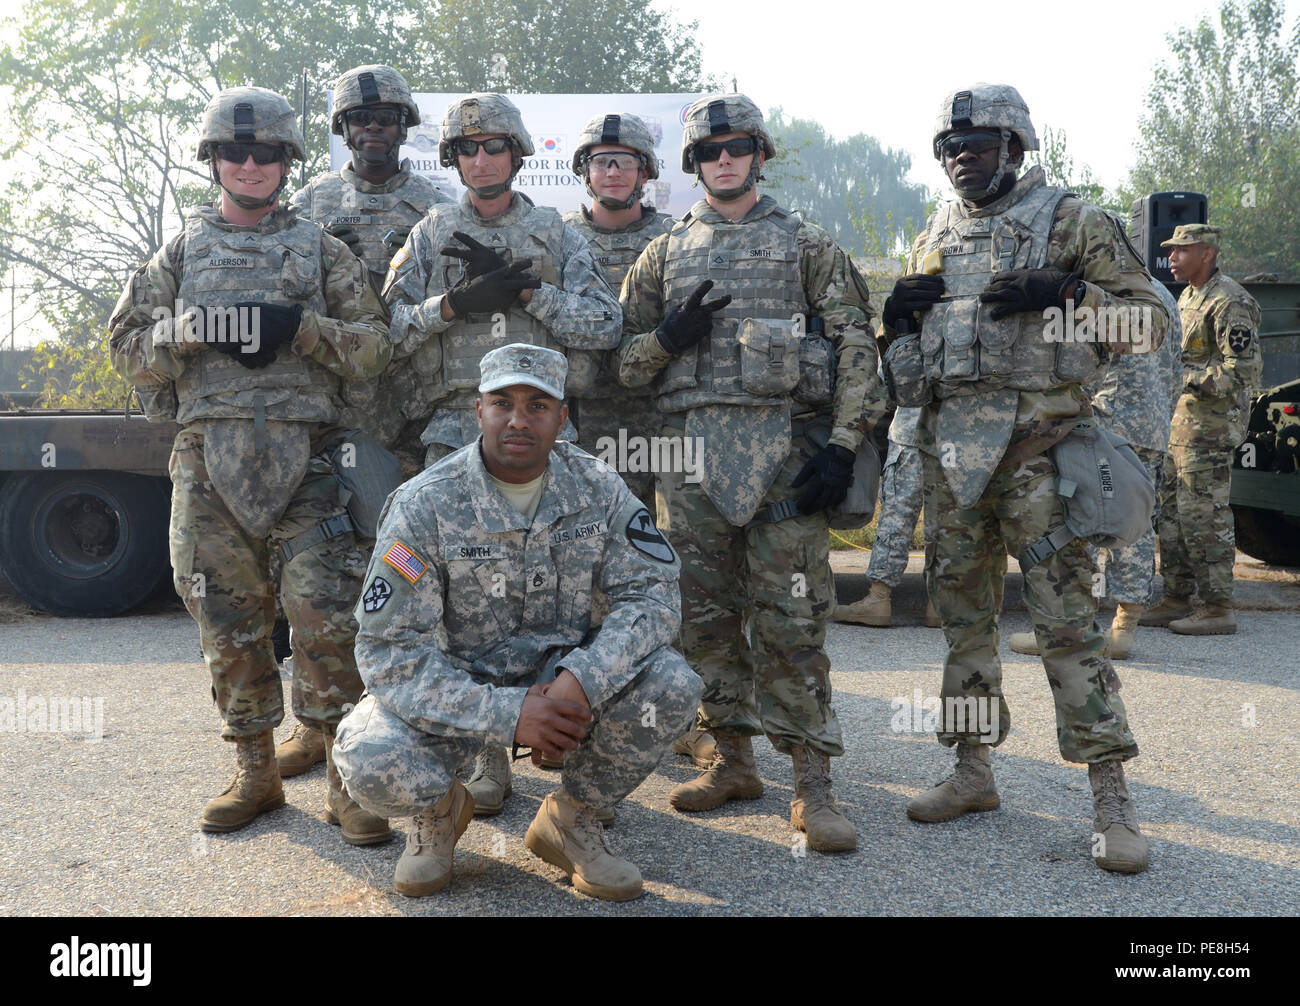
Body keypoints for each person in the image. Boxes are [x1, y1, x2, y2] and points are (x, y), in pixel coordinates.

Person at [883, 84, 1168, 873]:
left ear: (1016, 147)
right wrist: (898, 324)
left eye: (976, 145)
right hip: (952, 464)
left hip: (1040, 457)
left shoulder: (1074, 221)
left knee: (1068, 628)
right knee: (963, 627)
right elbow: (913, 372)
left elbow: (1148, 325)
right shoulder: (936, 230)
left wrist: (1070, 293)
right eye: (948, 148)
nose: (960, 159)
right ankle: (973, 771)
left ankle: (1112, 801)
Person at [106, 87, 392, 844]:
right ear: (214, 160)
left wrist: (300, 329)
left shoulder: (322, 251)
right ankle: (257, 775)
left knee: (327, 624)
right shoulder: (179, 252)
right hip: (208, 459)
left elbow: (374, 349)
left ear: (286, 161)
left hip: (311, 461)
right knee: (228, 624)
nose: (251, 165)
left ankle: (345, 781)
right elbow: (128, 353)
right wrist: (192, 331)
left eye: (266, 153)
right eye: (235, 152)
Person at [332, 344, 701, 901]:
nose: (518, 419)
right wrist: (508, 714)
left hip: (566, 682)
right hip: (460, 687)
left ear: (562, 418)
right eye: (502, 402)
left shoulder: (599, 487)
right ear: (477, 411)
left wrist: (583, 678)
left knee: (673, 684)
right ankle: (439, 811)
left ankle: (573, 818)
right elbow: (389, 652)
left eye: (538, 405)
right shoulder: (424, 504)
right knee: (369, 757)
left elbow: (653, 596)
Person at [619, 94, 886, 853]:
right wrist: (668, 339)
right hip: (692, 464)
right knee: (703, 624)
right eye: (709, 151)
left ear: (760, 155)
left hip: (786, 464)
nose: (724, 160)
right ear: (693, 164)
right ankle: (732, 759)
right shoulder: (663, 255)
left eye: (736, 147)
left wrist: (841, 445)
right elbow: (623, 365)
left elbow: (856, 351)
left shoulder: (807, 246)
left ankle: (814, 785)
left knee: (793, 626)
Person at [382, 93, 622, 814]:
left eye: (493, 147)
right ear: (452, 160)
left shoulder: (553, 231)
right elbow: (388, 328)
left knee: (563, 590)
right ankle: (483, 749)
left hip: (544, 435)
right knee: (458, 602)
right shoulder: (429, 233)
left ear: (518, 155)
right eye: (465, 149)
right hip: (456, 437)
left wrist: (529, 291)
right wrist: (453, 306)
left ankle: (565, 737)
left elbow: (603, 325)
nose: (480, 160)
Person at [273, 65, 450, 779]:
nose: (374, 129)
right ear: (344, 130)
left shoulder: (436, 205)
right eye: (360, 119)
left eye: (386, 119)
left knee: (418, 571)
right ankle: (316, 723)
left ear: (404, 128)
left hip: (412, 414)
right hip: (335, 414)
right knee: (319, 573)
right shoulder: (311, 203)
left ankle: (414, 717)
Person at [563, 111, 713, 770]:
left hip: (665, 421)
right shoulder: (560, 241)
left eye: (625, 160)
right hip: (590, 422)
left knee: (678, 564)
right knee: (597, 571)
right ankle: (603, 704)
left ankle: (688, 712)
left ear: (647, 173)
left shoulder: (676, 241)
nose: (613, 170)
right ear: (585, 172)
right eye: (600, 160)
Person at [1010, 264, 1183, 658]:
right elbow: (1176, 367)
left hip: (1104, 424)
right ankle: (1124, 627)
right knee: (1136, 522)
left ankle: (1071, 628)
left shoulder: (1097, 292)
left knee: (1080, 519)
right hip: (1151, 426)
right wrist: (1160, 416)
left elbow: (1079, 363)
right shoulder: (1162, 294)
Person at [1141, 223, 1262, 635]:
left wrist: (1184, 377)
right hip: (1179, 429)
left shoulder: (1230, 302)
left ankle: (1218, 607)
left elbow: (1242, 372)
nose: (1172, 257)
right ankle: (1177, 597)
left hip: (1209, 432)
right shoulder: (1189, 296)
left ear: (1207, 253)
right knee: (1173, 516)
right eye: (1171, 250)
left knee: (1204, 518)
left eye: (1181, 250)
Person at [832, 404, 941, 628]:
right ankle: (941, 602)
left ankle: (879, 598)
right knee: (946, 516)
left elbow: (888, 383)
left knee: (897, 514)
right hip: (957, 434)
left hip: (911, 431)